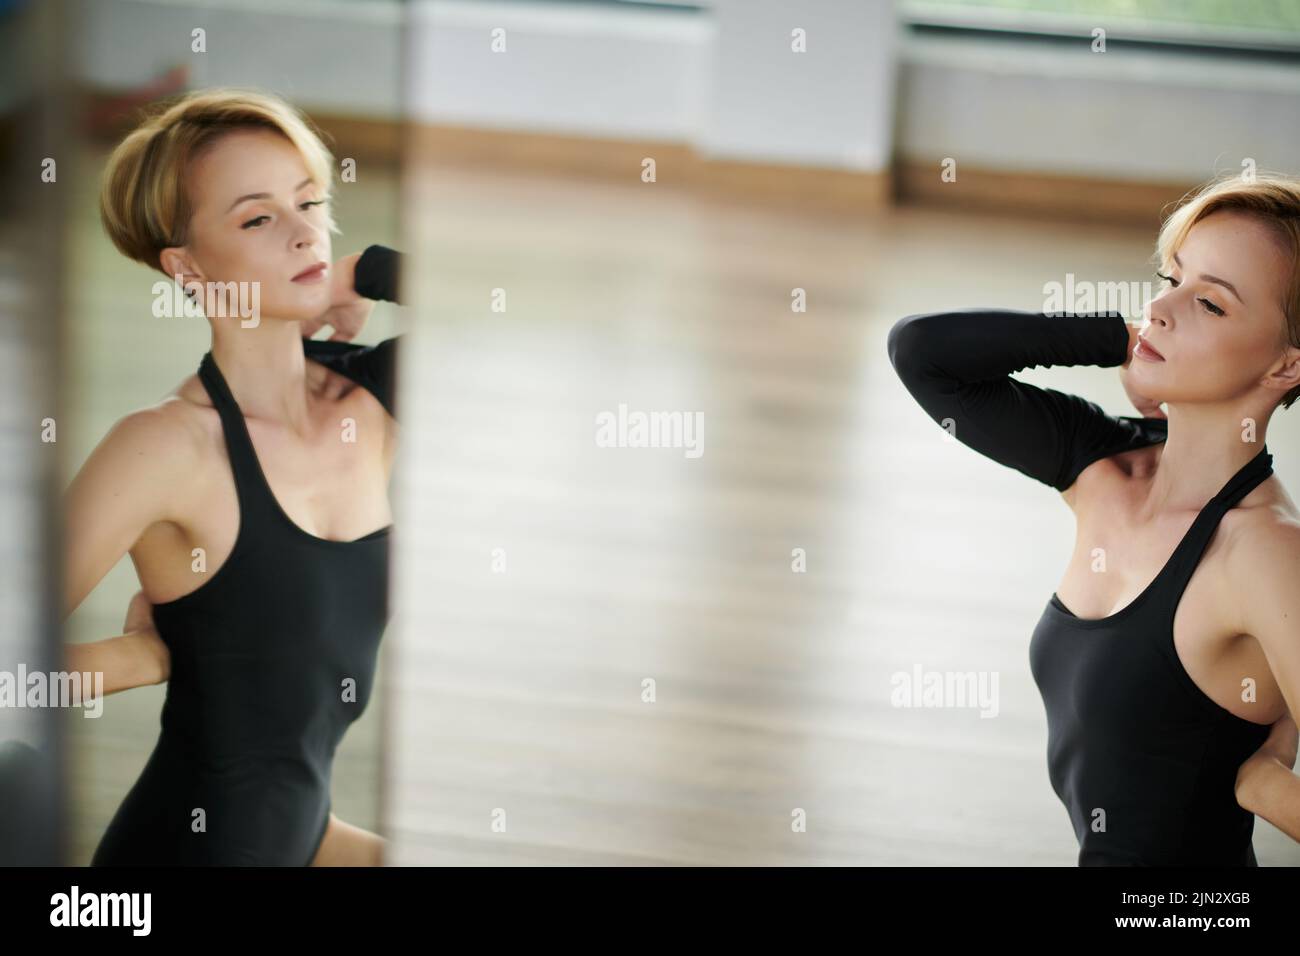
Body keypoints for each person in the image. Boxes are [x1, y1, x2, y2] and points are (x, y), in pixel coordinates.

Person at [887, 172, 1300, 865]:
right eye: (1171, 277)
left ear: (1287, 366)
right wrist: (1121, 338)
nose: (1164, 307)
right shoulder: (1103, 462)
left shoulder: (1261, 551)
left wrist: (1268, 787)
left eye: (1211, 304)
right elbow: (923, 353)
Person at [66, 87, 403, 865]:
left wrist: (365, 271)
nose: (303, 234)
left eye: (310, 202)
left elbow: (493, 313)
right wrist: (139, 660)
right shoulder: (164, 449)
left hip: (303, 835)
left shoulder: (369, 404)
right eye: (258, 218)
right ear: (188, 267)